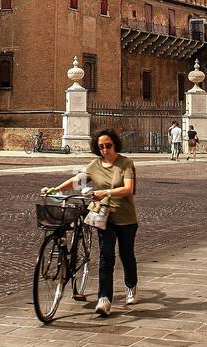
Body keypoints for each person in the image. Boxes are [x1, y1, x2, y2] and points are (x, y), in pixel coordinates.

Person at [46, 129, 138, 317]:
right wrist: (57, 188)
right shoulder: (95, 165)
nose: (105, 150)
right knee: (106, 257)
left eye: (108, 146)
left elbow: (128, 188)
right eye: (101, 147)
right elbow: (77, 180)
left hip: (126, 218)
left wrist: (105, 193)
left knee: (126, 255)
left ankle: (131, 285)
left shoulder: (125, 163)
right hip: (104, 217)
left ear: (115, 144)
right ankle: (104, 299)